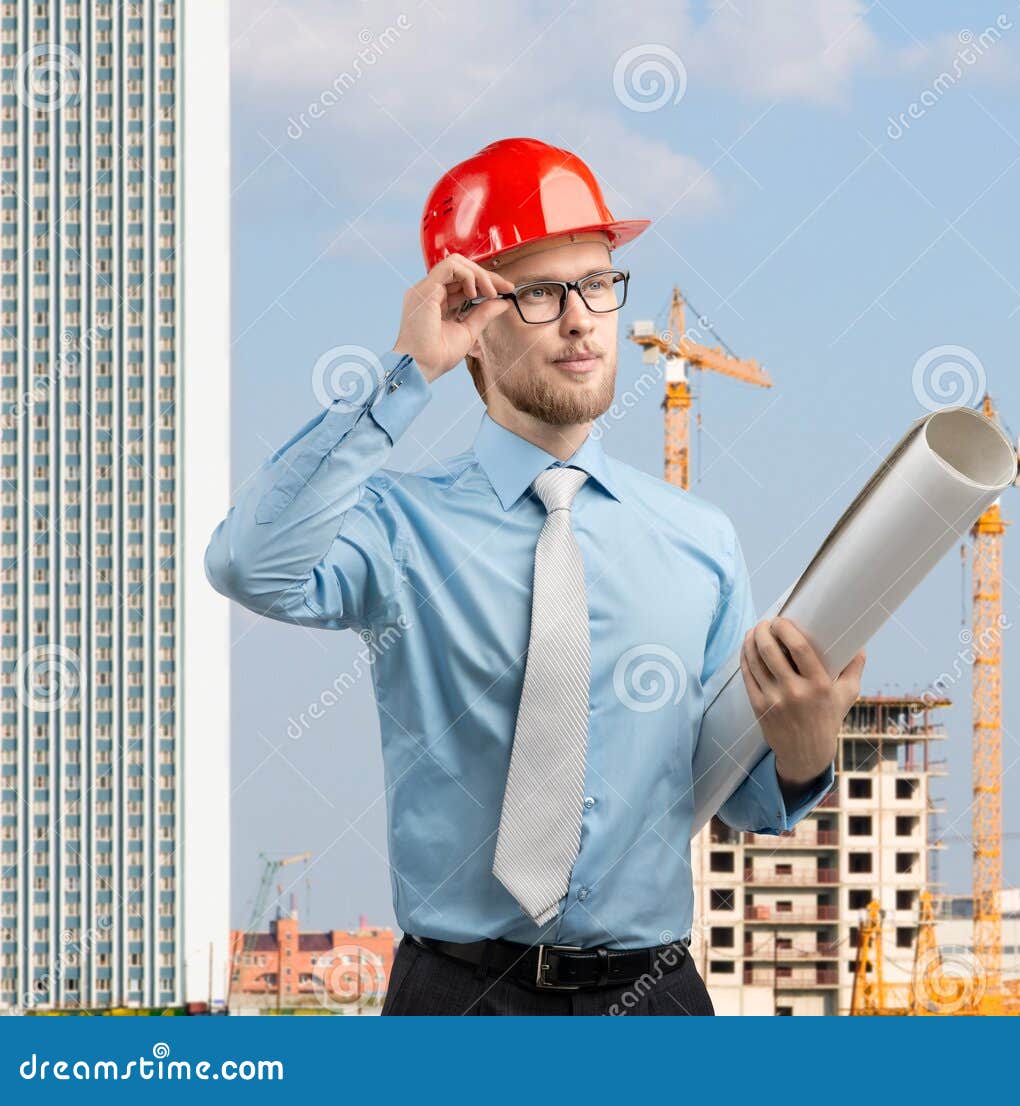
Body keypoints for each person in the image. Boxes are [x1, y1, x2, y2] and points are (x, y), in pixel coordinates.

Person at [206, 138, 865, 1015]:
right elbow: (249, 564)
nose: (582, 319)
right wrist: (405, 374)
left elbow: (732, 794)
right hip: (458, 1000)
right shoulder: (399, 526)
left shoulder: (699, 541)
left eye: (596, 283)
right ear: (473, 324)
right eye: (542, 293)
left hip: (655, 1001)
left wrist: (807, 750)